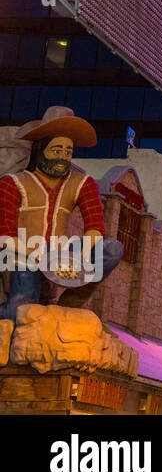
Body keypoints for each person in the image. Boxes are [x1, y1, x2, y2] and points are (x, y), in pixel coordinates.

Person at [0, 111, 123, 322]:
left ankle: (69, 304)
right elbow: (5, 237)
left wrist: (81, 258)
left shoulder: (82, 183)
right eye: (56, 150)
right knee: (19, 312)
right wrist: (40, 257)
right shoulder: (13, 183)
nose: (62, 157)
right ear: (40, 150)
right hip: (24, 255)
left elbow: (95, 227)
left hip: (61, 253)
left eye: (68, 151)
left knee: (112, 250)